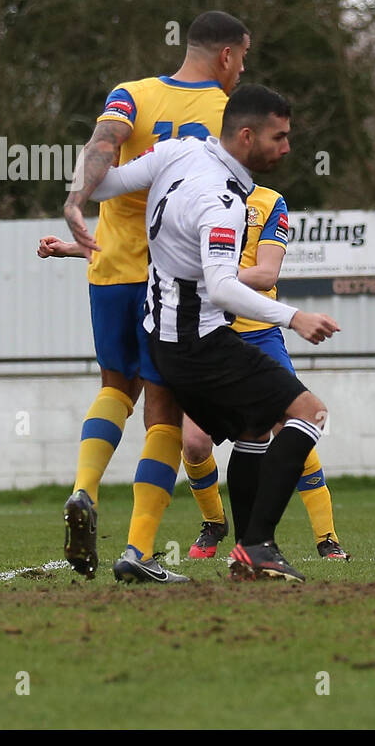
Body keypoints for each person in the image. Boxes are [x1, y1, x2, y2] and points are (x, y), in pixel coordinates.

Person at [85, 84, 339, 583]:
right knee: (310, 414)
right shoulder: (222, 202)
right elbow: (222, 287)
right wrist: (294, 317)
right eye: (279, 137)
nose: (287, 148)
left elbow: (100, 184)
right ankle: (257, 546)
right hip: (199, 343)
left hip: (164, 331)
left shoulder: (180, 152)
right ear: (246, 136)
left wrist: (101, 143)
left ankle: (245, 550)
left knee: (251, 432)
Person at [58, 10, 247, 582]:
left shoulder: (131, 93)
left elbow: (103, 142)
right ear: (226, 57)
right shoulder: (233, 116)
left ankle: (83, 490)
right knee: (163, 411)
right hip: (175, 280)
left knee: (115, 386)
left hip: (111, 267)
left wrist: (74, 200)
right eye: (243, 58)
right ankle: (138, 552)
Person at [181, 182, 350, 561]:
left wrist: (216, 279)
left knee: (294, 424)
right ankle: (214, 524)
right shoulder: (192, 194)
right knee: (193, 442)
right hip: (207, 336)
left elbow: (266, 274)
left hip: (259, 335)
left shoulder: (270, 201)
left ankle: (327, 537)